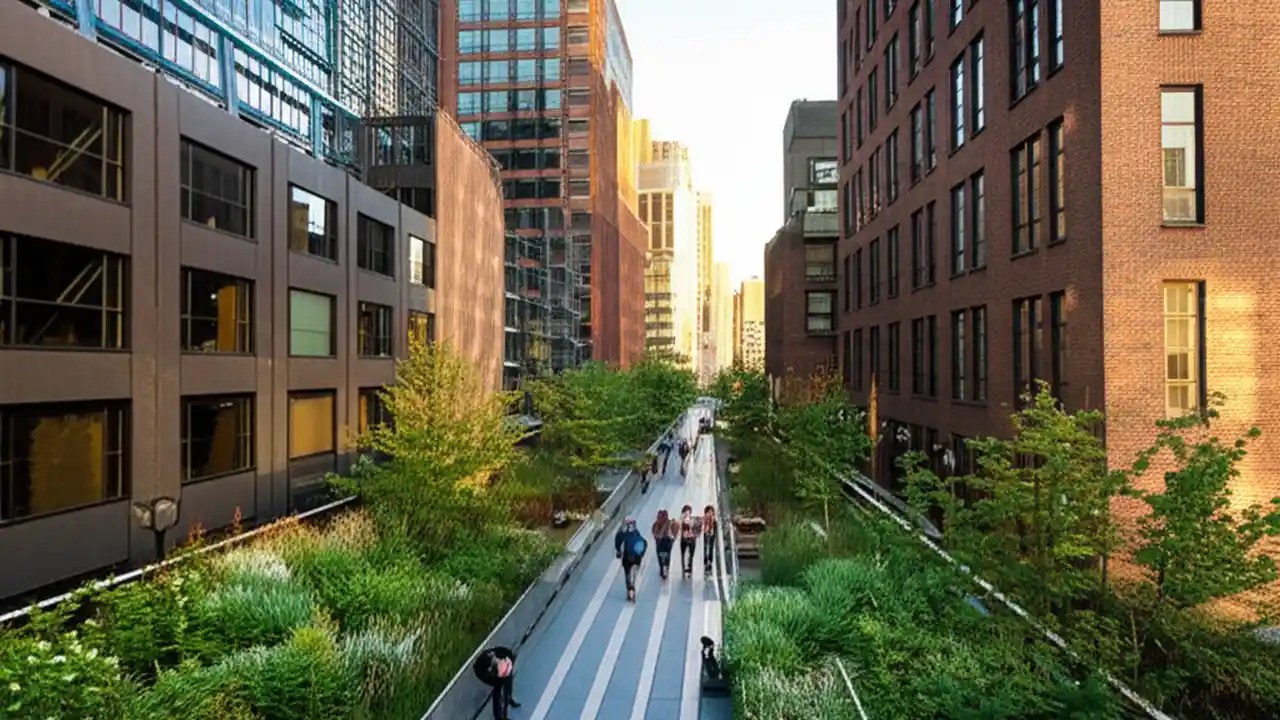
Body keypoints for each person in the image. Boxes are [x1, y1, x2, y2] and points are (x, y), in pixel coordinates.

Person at [472, 645, 520, 720]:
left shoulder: (505, 653)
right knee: (498, 687)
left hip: (500, 665)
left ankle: (509, 700)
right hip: (482, 671)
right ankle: (498, 716)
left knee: (507, 683)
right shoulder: (485, 667)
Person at [614, 517, 647, 601]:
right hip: (636, 557)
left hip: (627, 556)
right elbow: (644, 542)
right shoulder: (636, 533)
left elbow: (617, 540)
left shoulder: (624, 533)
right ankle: (632, 586)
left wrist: (618, 551)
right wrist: (642, 553)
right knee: (634, 572)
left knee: (627, 573)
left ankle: (630, 589)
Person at [652, 509, 677, 579]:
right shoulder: (656, 524)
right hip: (661, 542)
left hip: (665, 542)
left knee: (664, 555)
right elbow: (655, 533)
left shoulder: (669, 523)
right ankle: (664, 568)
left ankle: (664, 568)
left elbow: (674, 532)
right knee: (662, 556)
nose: (661, 519)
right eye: (660, 517)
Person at [677, 505, 700, 578]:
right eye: (685, 512)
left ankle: (689, 569)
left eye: (688, 512)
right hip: (685, 540)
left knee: (689, 555)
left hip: (690, 540)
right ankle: (686, 569)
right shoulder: (681, 521)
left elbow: (697, 529)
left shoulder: (694, 520)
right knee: (684, 555)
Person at [701, 505, 718, 577]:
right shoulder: (705, 519)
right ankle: (706, 565)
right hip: (706, 535)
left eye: (712, 511)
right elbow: (702, 527)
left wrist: (713, 535)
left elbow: (715, 529)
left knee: (710, 549)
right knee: (705, 549)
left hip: (711, 536)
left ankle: (710, 565)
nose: (710, 513)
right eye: (709, 511)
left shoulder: (714, 520)